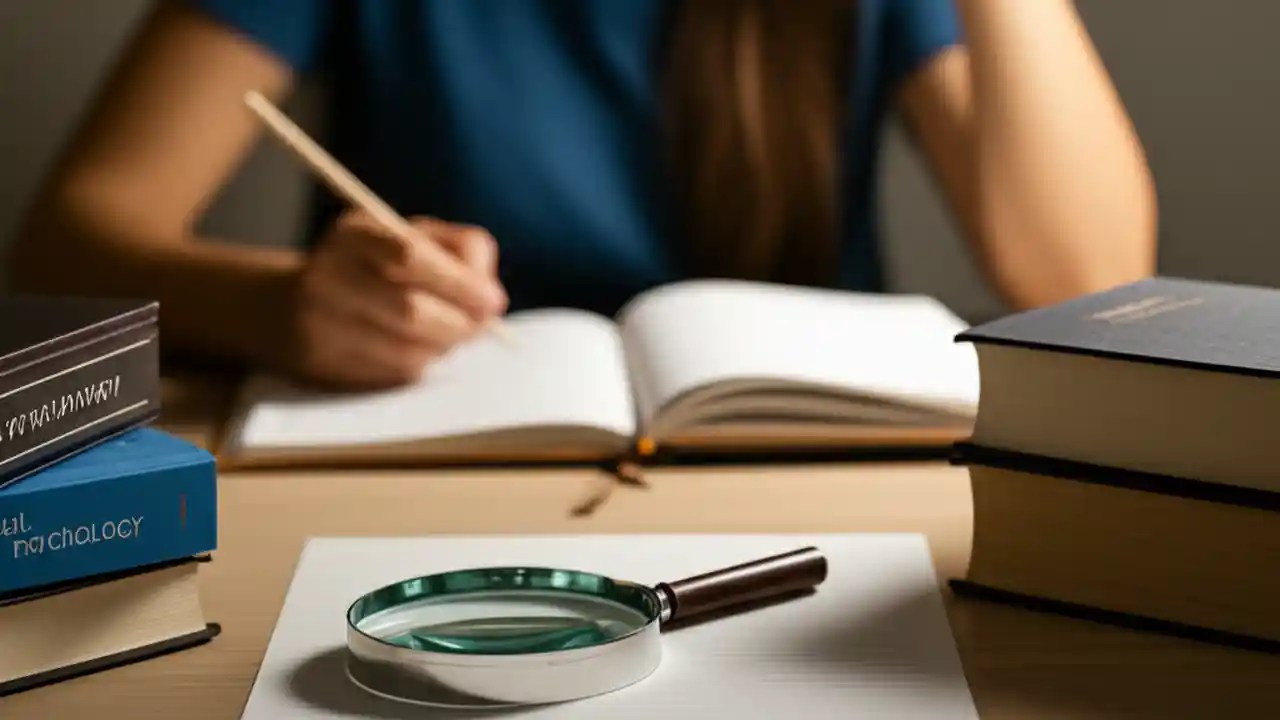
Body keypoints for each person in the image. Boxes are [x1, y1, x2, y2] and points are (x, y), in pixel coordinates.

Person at [9, 0, 1156, 389]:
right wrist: (277, 305)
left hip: (803, 480)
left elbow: (1086, 283)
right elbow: (65, 248)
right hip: (415, 466)